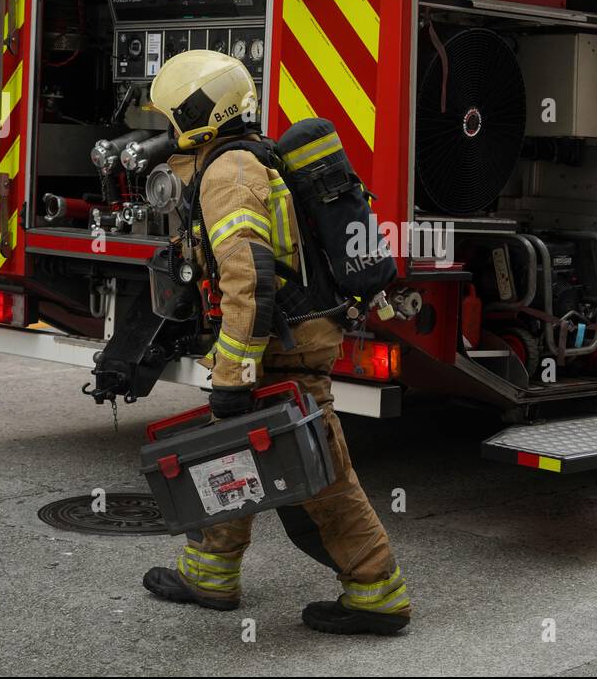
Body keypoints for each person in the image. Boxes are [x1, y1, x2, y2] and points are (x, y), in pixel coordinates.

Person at [139, 50, 411, 634]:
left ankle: (376, 591)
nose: (167, 131)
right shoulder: (239, 160)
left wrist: (233, 375)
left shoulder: (228, 174)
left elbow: (249, 278)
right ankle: (211, 573)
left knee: (323, 473)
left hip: (281, 344)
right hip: (285, 339)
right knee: (231, 454)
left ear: (196, 115)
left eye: (171, 118)